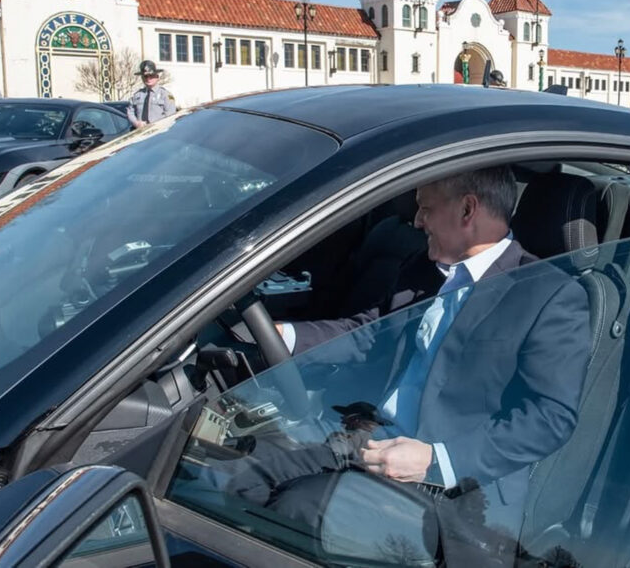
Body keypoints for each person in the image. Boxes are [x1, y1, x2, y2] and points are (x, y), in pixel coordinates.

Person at [231, 166, 592, 557]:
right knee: (235, 471)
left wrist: (437, 460)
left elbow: (550, 417)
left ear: (467, 210)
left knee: (299, 509)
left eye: (426, 208)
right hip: (367, 440)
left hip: (457, 491)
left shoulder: (548, 294)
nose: (417, 221)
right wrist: (284, 336)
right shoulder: (424, 269)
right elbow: (369, 335)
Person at [126, 60, 176, 129]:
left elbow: (170, 115)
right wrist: (136, 123)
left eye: (151, 76)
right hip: (140, 132)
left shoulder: (165, 95)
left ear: (157, 77)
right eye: (145, 76)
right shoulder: (137, 95)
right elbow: (130, 112)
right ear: (142, 78)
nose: (148, 79)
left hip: (159, 131)